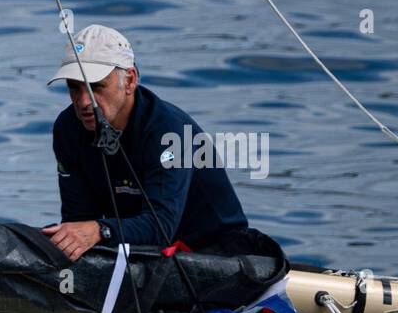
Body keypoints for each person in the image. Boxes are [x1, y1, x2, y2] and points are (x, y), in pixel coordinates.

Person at [41, 24, 248, 262]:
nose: (84, 101)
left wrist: (100, 231)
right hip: (142, 253)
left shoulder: (170, 130)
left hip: (217, 255)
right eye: (74, 87)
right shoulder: (68, 128)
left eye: (96, 86)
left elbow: (161, 228)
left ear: (129, 81)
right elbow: (78, 220)